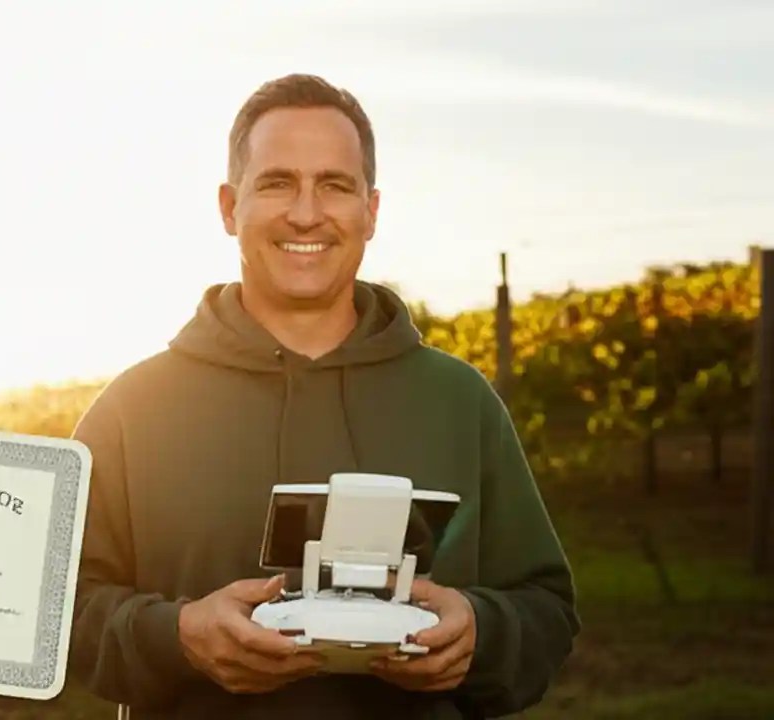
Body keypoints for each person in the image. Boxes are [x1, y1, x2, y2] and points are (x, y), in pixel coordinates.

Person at [66, 73, 580, 719]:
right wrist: (177, 636)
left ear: (371, 209)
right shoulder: (133, 407)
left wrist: (483, 631)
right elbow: (56, 607)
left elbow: (546, 607)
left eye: (334, 185)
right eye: (277, 182)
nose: (306, 213)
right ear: (229, 207)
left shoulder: (459, 399)